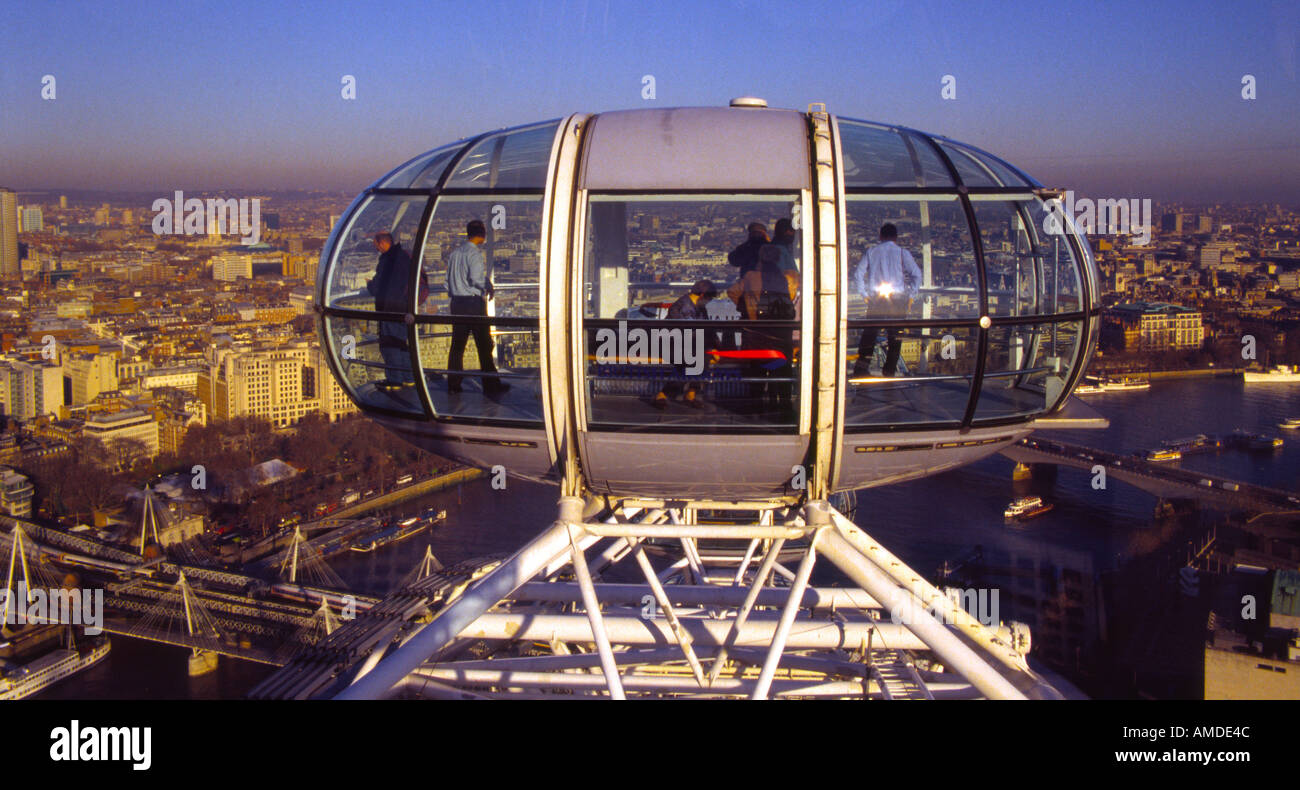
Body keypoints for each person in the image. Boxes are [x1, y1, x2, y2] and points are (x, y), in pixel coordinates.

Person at [728, 245, 798, 408]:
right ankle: (783, 406)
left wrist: (747, 308)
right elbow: (791, 298)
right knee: (781, 370)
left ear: (760, 258)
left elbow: (732, 292)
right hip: (781, 331)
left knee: (757, 370)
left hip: (757, 331)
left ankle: (757, 405)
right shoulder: (787, 277)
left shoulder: (751, 276)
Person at [445, 220, 508, 394]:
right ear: (482, 234)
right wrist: (486, 286)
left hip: (457, 303)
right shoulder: (474, 254)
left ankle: (453, 384)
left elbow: (446, 283)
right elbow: (475, 278)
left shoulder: (455, 254)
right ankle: (491, 384)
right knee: (484, 344)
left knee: (457, 346)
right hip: (473, 304)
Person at [853, 223, 921, 377]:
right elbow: (917, 275)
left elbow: (858, 274)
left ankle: (861, 368)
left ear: (880, 236)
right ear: (896, 237)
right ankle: (889, 370)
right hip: (897, 300)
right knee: (895, 337)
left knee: (869, 335)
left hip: (876, 300)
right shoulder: (903, 253)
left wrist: (864, 295)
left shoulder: (871, 252)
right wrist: (911, 296)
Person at [366, 232, 427, 387]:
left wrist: (369, 284)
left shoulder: (388, 260)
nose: (377, 249)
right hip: (406, 307)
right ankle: (409, 378)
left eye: (376, 246)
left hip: (390, 308)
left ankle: (395, 380)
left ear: (381, 244)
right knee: (402, 343)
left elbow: (378, 287)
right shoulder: (404, 256)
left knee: (389, 345)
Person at [653, 280, 718, 409]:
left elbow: (707, 329)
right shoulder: (681, 307)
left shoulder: (699, 307)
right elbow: (689, 332)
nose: (709, 302)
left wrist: (715, 347)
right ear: (702, 295)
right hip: (670, 345)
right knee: (695, 359)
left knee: (699, 358)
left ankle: (680, 394)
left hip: (687, 345)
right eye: (709, 298)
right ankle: (669, 394)